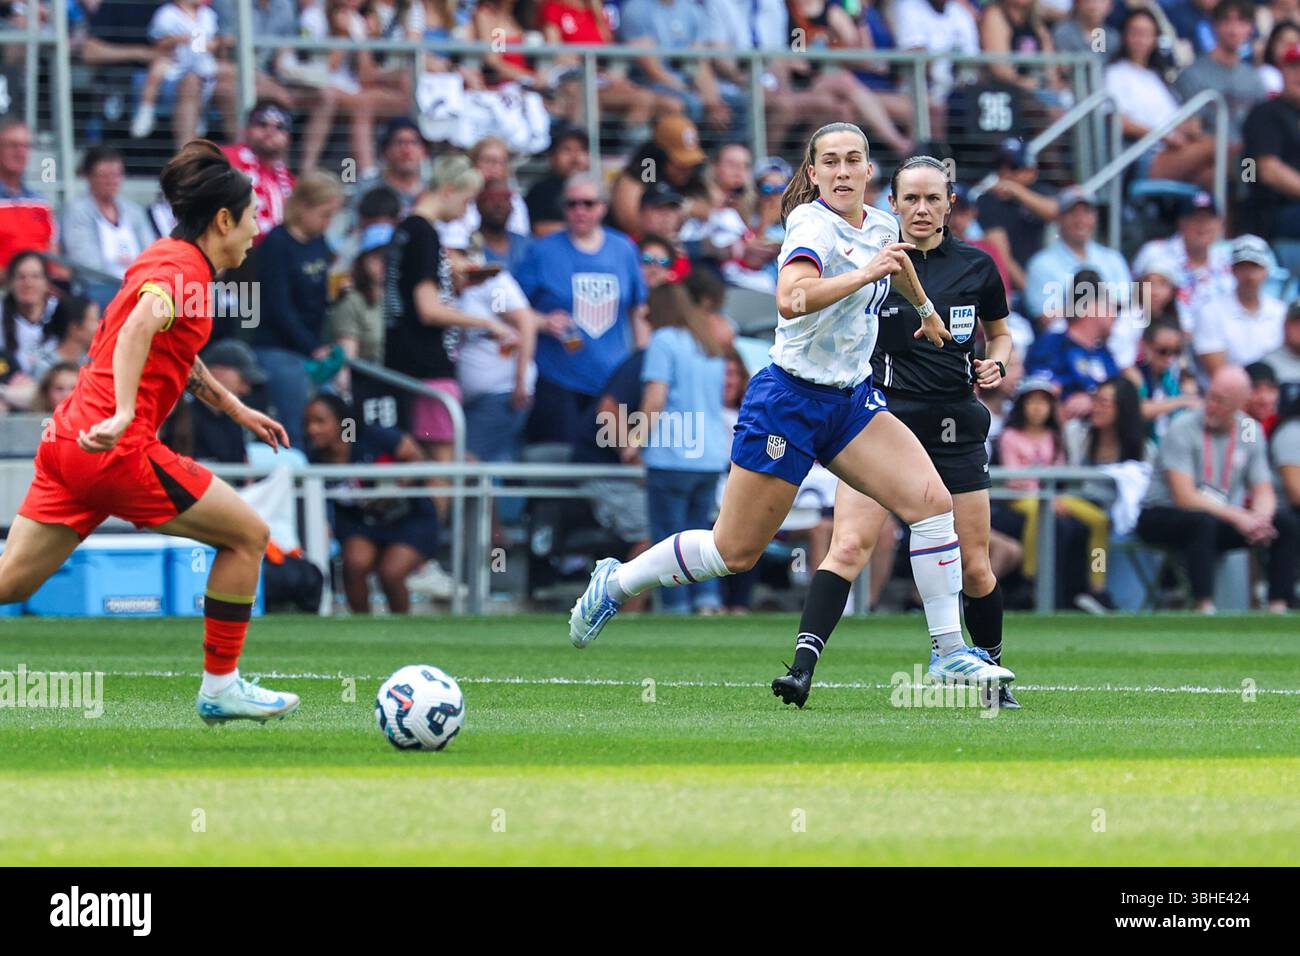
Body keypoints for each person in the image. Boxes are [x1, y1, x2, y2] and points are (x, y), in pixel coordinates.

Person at [568, 123, 1015, 698]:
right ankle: (617, 580)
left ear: (868, 170)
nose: (843, 170)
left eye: (854, 159)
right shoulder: (810, 225)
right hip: (790, 399)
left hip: (852, 399)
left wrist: (926, 310)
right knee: (734, 551)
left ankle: (949, 652)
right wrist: (863, 274)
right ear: (813, 173)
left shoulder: (881, 224)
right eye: (830, 161)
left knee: (932, 506)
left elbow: (898, 266)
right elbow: (791, 298)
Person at [0, 139, 299, 724]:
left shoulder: (166, 254)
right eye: (253, 217)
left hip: (67, 443)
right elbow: (141, 325)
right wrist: (121, 415)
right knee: (247, 537)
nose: (256, 229)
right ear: (222, 220)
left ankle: (223, 688)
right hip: (115, 448)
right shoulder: (187, 272)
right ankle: (221, 687)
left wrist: (235, 408)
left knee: (9, 584)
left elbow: (173, 349)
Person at [774, 155, 1020, 708]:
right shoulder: (872, 262)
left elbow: (1001, 335)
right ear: (891, 203)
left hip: (955, 424)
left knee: (976, 563)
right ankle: (802, 670)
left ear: (951, 204)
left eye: (934, 198)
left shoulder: (978, 268)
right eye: (911, 198)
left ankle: (992, 677)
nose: (923, 209)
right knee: (852, 543)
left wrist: (996, 364)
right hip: (879, 420)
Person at [383, 154, 518, 462]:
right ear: (448, 190)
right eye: (466, 200)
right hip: (429, 368)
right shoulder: (424, 234)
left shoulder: (405, 230)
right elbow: (428, 309)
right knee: (443, 465)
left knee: (436, 460)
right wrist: (489, 324)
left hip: (406, 364)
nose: (465, 211)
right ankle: (442, 513)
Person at [1138, 365, 1297, 613]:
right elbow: (1184, 496)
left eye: (1221, 401)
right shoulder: (1184, 426)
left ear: (1240, 404)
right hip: (1162, 513)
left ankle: (1278, 605)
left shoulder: (1248, 430)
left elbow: (1262, 487)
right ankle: (1204, 605)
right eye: (1210, 396)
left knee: (1284, 523)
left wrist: (1260, 517)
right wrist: (1240, 517)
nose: (1211, 406)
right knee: (1202, 522)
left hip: (1217, 514)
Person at [514, 172, 648, 445]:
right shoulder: (542, 251)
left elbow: (639, 310)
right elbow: (512, 307)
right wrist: (542, 321)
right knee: (558, 458)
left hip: (611, 379)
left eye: (588, 203)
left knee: (604, 460)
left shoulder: (623, 249)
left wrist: (642, 362)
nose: (579, 211)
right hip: (557, 377)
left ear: (603, 207)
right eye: (571, 204)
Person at [638, 282, 730, 615]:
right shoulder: (709, 344)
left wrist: (634, 441)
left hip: (672, 453)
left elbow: (655, 399)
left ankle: (675, 604)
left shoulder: (663, 341)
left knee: (668, 539)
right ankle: (708, 600)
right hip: (709, 455)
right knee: (701, 537)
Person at [304, 392, 440, 614]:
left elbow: (417, 458)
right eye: (308, 423)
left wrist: (397, 486)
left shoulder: (371, 437)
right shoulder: (313, 459)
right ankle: (363, 630)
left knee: (391, 573)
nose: (312, 429)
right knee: (355, 565)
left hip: (407, 517)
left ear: (341, 422)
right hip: (361, 522)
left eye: (320, 421)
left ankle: (402, 632)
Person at [251, 171, 344, 451]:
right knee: (296, 413)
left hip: (311, 345)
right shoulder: (276, 245)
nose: (328, 223)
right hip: (277, 346)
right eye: (324, 215)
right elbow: (279, 308)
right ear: (304, 207)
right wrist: (311, 347)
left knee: (335, 411)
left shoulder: (319, 242)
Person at [1104, 7, 1219, 189]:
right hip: (1142, 157)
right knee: (1221, 145)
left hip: (1174, 150)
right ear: (1124, 36)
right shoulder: (1115, 73)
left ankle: (1249, 191)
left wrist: (1188, 127)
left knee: (1216, 177)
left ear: (1155, 39)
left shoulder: (1157, 77)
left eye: (1146, 34)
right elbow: (1118, 120)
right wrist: (1163, 136)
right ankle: (1250, 177)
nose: (1140, 39)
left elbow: (1170, 119)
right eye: (1135, 32)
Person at [61, 146, 156, 304]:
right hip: (98, 288)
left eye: (116, 175)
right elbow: (87, 265)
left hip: (137, 285)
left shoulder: (134, 211)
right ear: (89, 177)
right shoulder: (77, 211)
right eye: (103, 176)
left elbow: (151, 253)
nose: (111, 181)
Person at [1022, 188, 1130, 326]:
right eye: (1073, 213)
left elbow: (1124, 307)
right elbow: (1049, 320)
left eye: (1087, 212)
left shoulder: (1113, 259)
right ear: (1059, 218)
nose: (1080, 220)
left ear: (1095, 217)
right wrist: (1100, 312)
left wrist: (1076, 311)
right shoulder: (1041, 264)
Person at [1173, 0, 1266, 143]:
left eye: (1242, 21)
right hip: (1208, 159)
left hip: (1246, 160)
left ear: (1251, 29)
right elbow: (1190, 131)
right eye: (1226, 20)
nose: (1233, 30)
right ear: (1214, 25)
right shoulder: (1192, 75)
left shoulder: (1255, 79)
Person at [1193, 235, 1286, 374]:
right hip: (1227, 392)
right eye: (1242, 267)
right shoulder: (1210, 311)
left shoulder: (1281, 311)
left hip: (1273, 390)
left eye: (1255, 267)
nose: (1249, 275)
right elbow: (1218, 372)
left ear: (1266, 271)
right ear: (1233, 271)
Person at [1240, 41, 1300, 240]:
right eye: (1293, 66)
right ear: (1281, 71)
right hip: (1273, 213)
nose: (1299, 74)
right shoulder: (1266, 113)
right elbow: (1268, 170)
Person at [220, 101, 297, 241]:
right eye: (262, 124)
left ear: (288, 138)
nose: (270, 132)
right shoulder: (225, 160)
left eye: (279, 127)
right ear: (246, 129)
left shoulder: (290, 182)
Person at [1124, 317, 1200, 442]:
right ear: (1145, 345)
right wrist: (1182, 400)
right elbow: (1138, 410)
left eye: (1176, 351)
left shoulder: (1176, 377)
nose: (1169, 358)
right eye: (1163, 351)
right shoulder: (1134, 375)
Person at [0, 119, 58, 273]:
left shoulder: (41, 202)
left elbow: (53, 253)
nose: (20, 152)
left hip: (42, 290)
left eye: (25, 146)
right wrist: (22, 277)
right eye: (13, 145)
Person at [0, 251, 60, 378]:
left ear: (47, 283)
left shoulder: (61, 312)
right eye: (21, 277)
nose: (28, 284)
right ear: (10, 282)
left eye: (36, 277)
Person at [525, 127, 590, 238]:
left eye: (581, 150)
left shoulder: (595, 190)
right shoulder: (540, 191)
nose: (575, 158)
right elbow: (540, 229)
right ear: (552, 158)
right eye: (567, 150)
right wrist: (585, 230)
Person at [32, 296, 100, 383]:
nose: (100, 325)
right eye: (95, 320)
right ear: (75, 328)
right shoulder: (45, 366)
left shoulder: (91, 361)